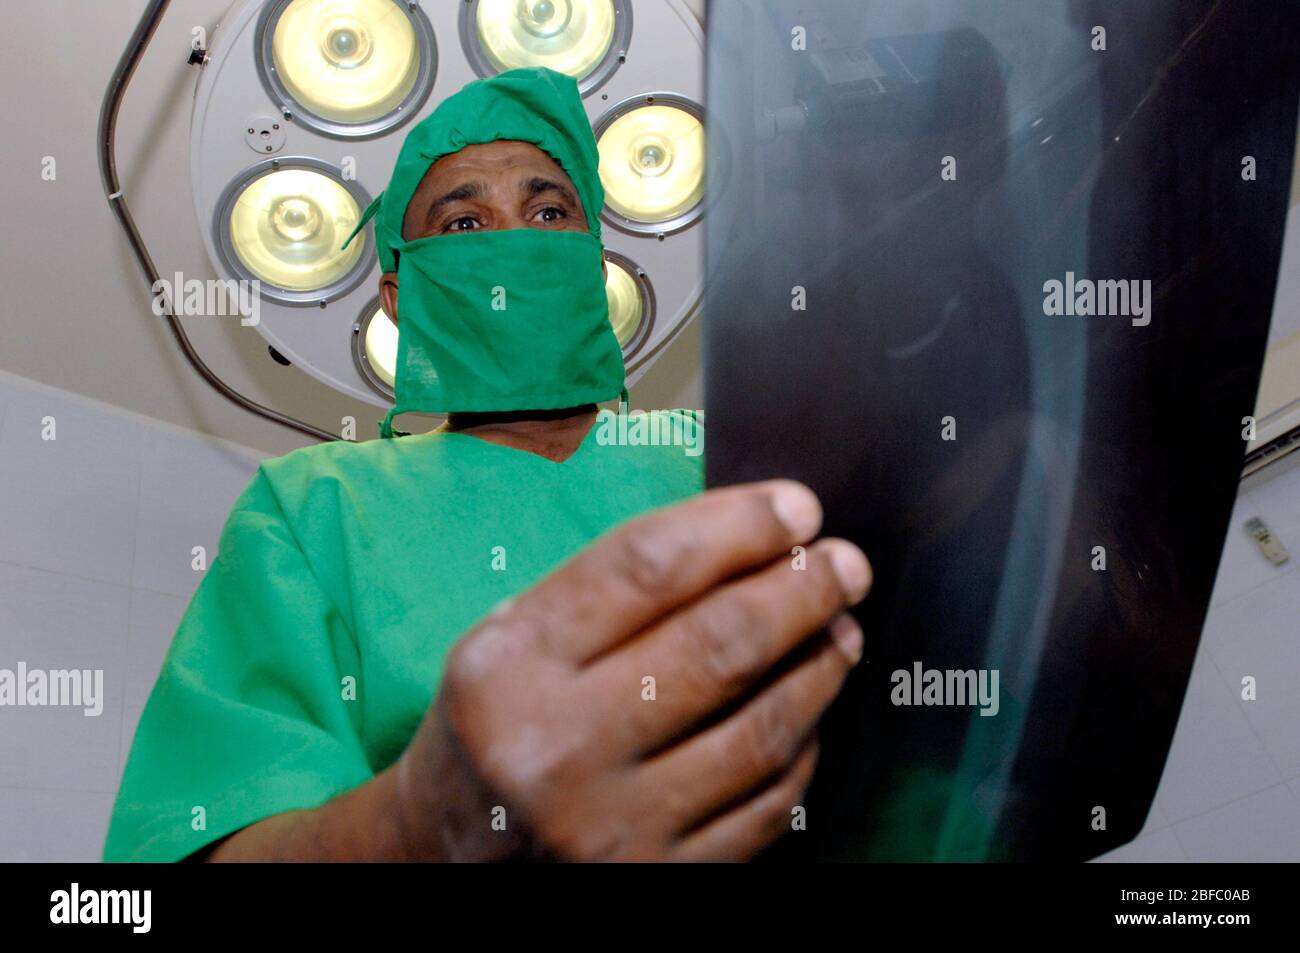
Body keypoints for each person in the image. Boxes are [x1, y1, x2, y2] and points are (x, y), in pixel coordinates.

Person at [102, 67, 872, 862]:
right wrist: (423, 819)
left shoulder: (723, 455)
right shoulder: (316, 506)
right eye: (465, 225)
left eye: (549, 210)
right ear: (400, 298)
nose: (517, 238)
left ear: (591, 259)